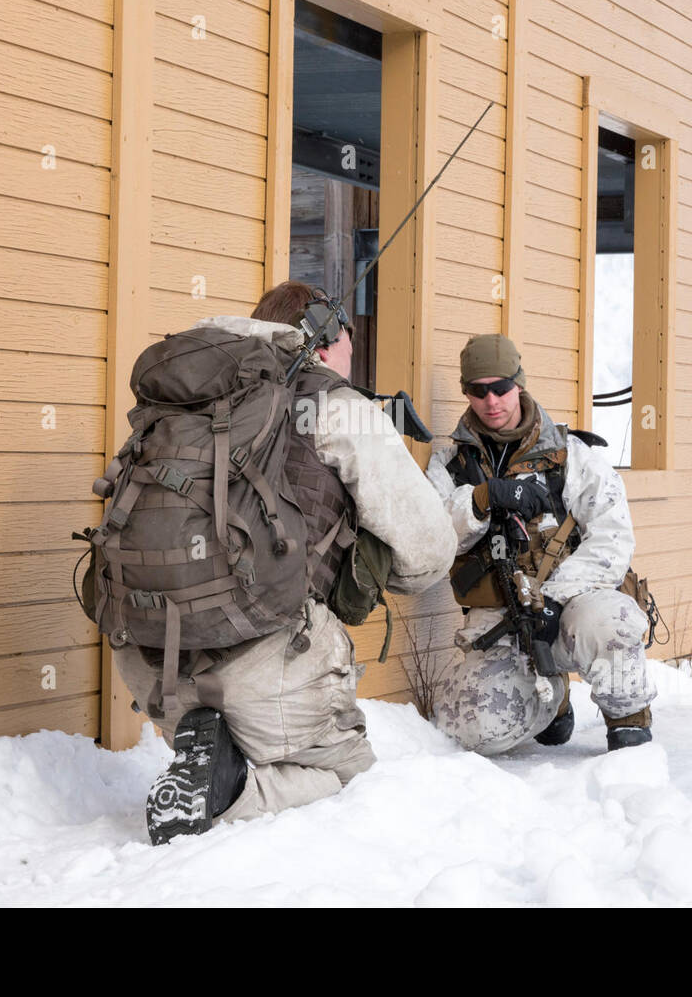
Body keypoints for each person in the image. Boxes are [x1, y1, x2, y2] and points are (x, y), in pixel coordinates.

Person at [115, 280, 456, 843]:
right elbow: (429, 554)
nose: (352, 357)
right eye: (350, 341)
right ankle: (224, 798)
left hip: (152, 656)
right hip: (268, 662)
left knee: (251, 725)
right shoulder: (338, 405)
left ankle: (209, 753)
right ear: (327, 339)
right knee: (348, 776)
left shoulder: (180, 401)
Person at [424, 333, 656, 755]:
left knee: (611, 621)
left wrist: (553, 597)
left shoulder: (569, 453)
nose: (491, 401)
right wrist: (482, 499)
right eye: (478, 391)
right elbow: (434, 537)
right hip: (501, 614)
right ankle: (553, 700)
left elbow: (613, 536)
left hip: (576, 603)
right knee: (471, 729)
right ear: (466, 392)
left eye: (501, 388)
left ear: (520, 383)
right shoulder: (450, 465)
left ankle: (627, 716)